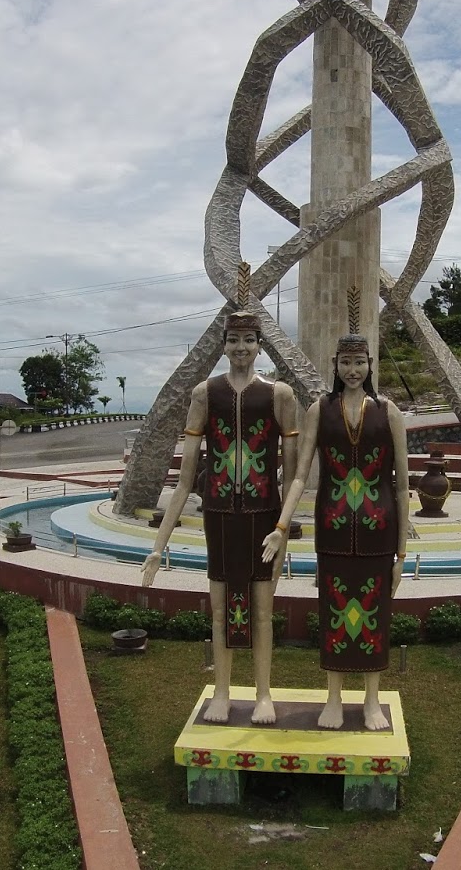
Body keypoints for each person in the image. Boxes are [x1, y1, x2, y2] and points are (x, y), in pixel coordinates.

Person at [141, 274, 299, 725]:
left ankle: (263, 693)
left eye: (250, 339)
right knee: (219, 606)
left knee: (264, 609)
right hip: (219, 515)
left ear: (260, 345)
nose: (242, 347)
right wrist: (158, 546)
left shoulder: (278, 395)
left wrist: (283, 527)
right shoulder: (203, 395)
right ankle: (225, 691)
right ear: (224, 344)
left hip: (265, 515)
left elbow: (292, 477)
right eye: (234, 340)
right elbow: (187, 475)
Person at [263, 310, 410, 731]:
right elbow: (298, 476)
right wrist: (280, 525)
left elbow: (400, 486)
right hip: (331, 530)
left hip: (379, 534)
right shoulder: (318, 411)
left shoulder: (389, 412)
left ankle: (371, 700)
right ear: (335, 366)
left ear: (370, 364)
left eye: (359, 362)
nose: (352, 370)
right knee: (334, 610)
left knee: (374, 612)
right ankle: (332, 696)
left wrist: (402, 553)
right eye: (345, 363)